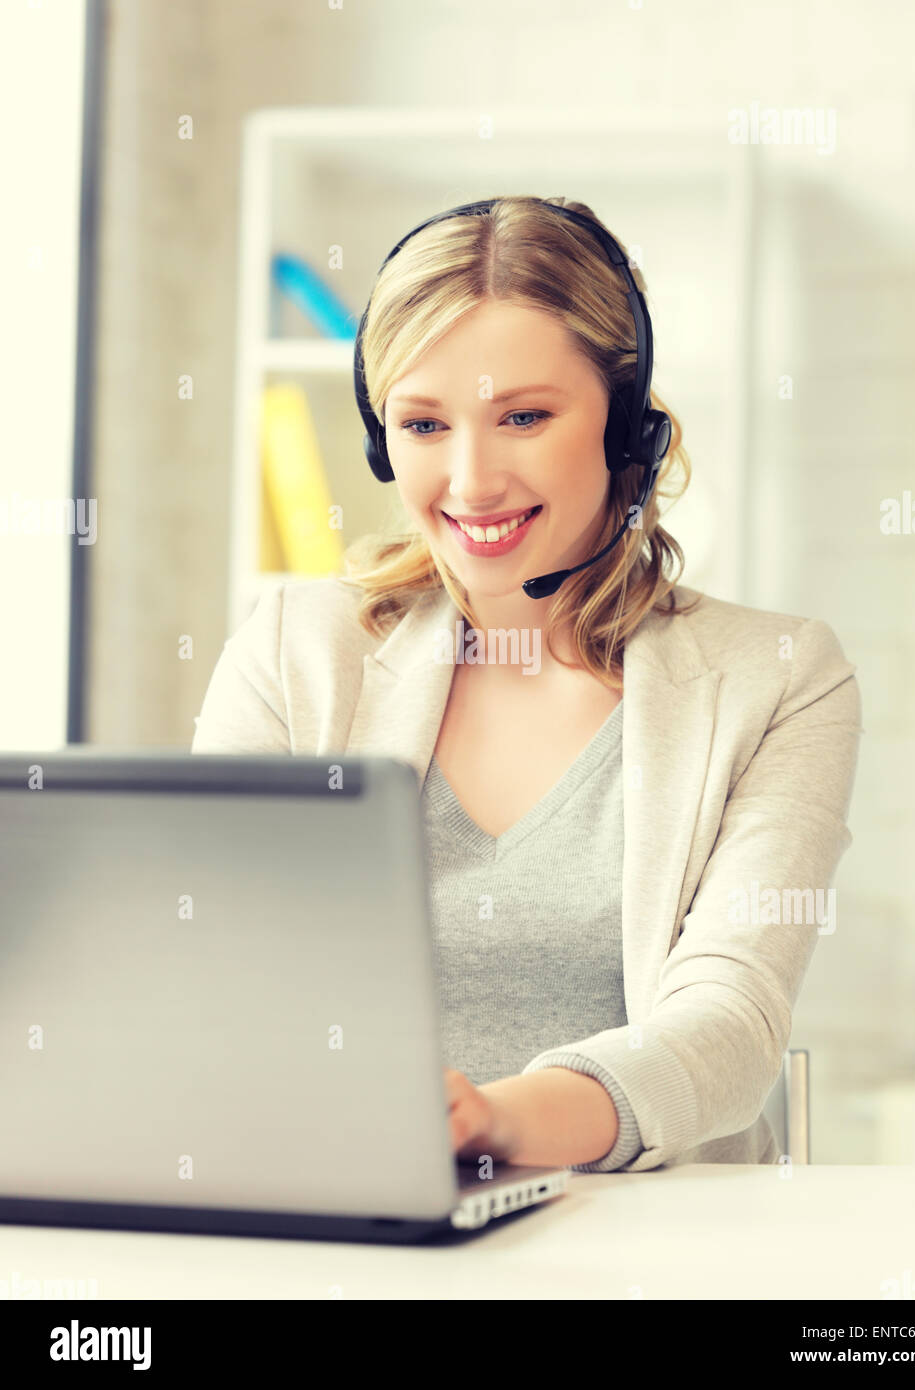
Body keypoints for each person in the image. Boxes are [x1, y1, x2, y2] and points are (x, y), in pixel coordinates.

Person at [192, 195, 862, 1174]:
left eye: (524, 417)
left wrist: (485, 1121)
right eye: (423, 423)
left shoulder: (780, 678)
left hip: (657, 1245)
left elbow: (731, 1018)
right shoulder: (297, 651)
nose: (470, 482)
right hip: (349, 1222)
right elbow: (212, 965)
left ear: (628, 428)